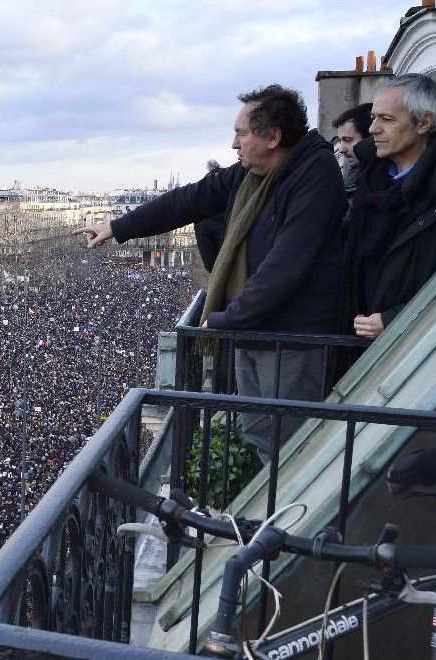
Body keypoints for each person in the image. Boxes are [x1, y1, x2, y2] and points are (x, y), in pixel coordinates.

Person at [74, 84, 346, 463]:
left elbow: (285, 266)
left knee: (290, 447)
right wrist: (119, 227)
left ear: (273, 137)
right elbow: (188, 199)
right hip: (255, 327)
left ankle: (286, 519)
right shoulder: (250, 175)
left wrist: (224, 319)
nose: (234, 144)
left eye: (241, 133)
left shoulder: (313, 175)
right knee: (259, 434)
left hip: (291, 336)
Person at [342, 73, 436, 341]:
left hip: (422, 351)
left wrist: (395, 320)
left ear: (424, 123)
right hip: (361, 345)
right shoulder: (371, 182)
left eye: (387, 119)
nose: (373, 129)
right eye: (373, 118)